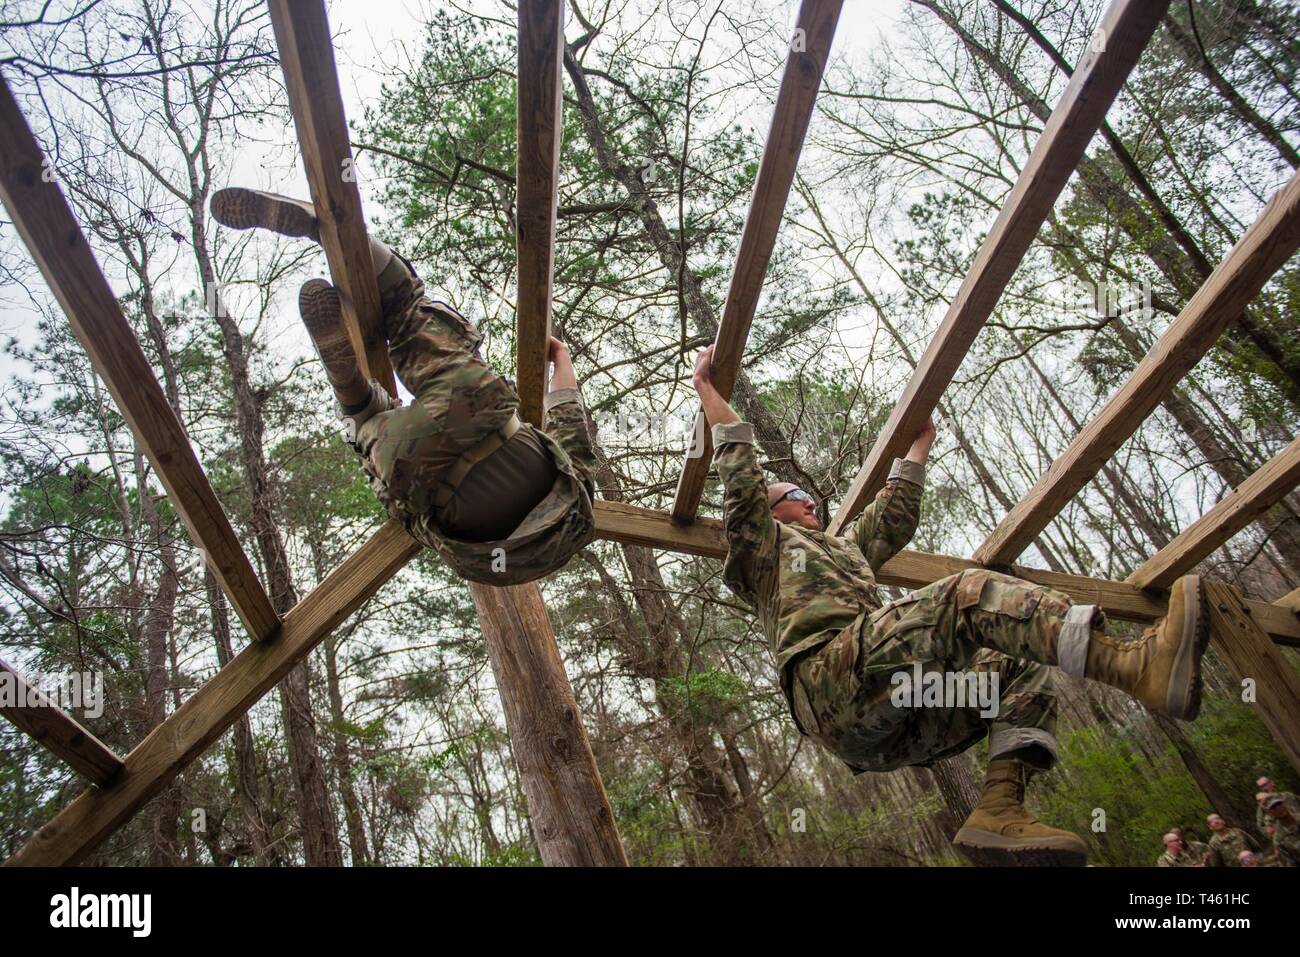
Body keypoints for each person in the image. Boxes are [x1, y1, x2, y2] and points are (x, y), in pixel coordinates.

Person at [692, 343, 1212, 866]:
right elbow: (743, 482)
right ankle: (1131, 665)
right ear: (775, 509)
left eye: (808, 492)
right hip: (827, 681)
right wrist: (709, 391)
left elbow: (891, 516)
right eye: (796, 494)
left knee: (1013, 665)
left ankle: (999, 810)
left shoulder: (846, 552)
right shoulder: (763, 548)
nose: (810, 499)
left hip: (897, 719)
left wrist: (918, 446)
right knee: (964, 595)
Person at [210, 188, 597, 584]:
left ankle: (325, 228)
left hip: (482, 413)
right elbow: (412, 520)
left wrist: (561, 357)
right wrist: (373, 454)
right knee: (365, 428)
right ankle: (351, 391)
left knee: (407, 305)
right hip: (419, 469)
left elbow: (568, 418)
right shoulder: (486, 568)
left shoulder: (580, 516)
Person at [1262, 793, 1300, 866]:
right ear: (1270, 813)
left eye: (1279, 804)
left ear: (1284, 804)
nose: (1278, 808)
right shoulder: (1279, 840)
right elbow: (1289, 863)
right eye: (1274, 808)